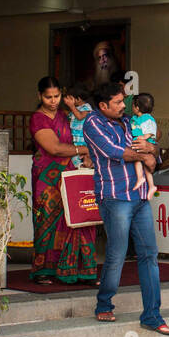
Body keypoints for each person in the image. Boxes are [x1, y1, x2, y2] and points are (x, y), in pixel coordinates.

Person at [82, 81, 169, 333]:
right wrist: (146, 155)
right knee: (117, 253)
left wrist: (152, 150)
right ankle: (104, 304)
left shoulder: (126, 121)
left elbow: (153, 149)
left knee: (149, 254)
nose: (124, 105)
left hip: (141, 196)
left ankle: (152, 316)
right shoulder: (92, 123)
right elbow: (114, 151)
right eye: (118, 102)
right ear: (102, 105)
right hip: (115, 197)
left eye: (123, 101)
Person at [29, 76, 97, 286]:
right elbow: (55, 148)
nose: (53, 101)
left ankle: (81, 270)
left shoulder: (66, 115)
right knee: (46, 221)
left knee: (79, 219)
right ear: (39, 96)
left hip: (71, 172)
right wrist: (84, 150)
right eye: (48, 97)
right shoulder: (38, 119)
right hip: (47, 178)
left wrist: (87, 156)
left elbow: (82, 134)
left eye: (56, 96)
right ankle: (44, 270)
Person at [128, 91, 160, 198]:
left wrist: (144, 138)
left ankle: (140, 177)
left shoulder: (147, 118)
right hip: (140, 142)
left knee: (137, 159)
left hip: (145, 143)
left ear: (137, 108)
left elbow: (151, 131)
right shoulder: (136, 118)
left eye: (132, 105)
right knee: (145, 166)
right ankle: (151, 186)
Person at [62, 82, 93, 168]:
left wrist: (72, 107)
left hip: (83, 140)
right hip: (74, 140)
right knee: (75, 159)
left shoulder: (86, 107)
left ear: (78, 98)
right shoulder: (75, 109)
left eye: (70, 98)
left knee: (85, 160)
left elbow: (80, 117)